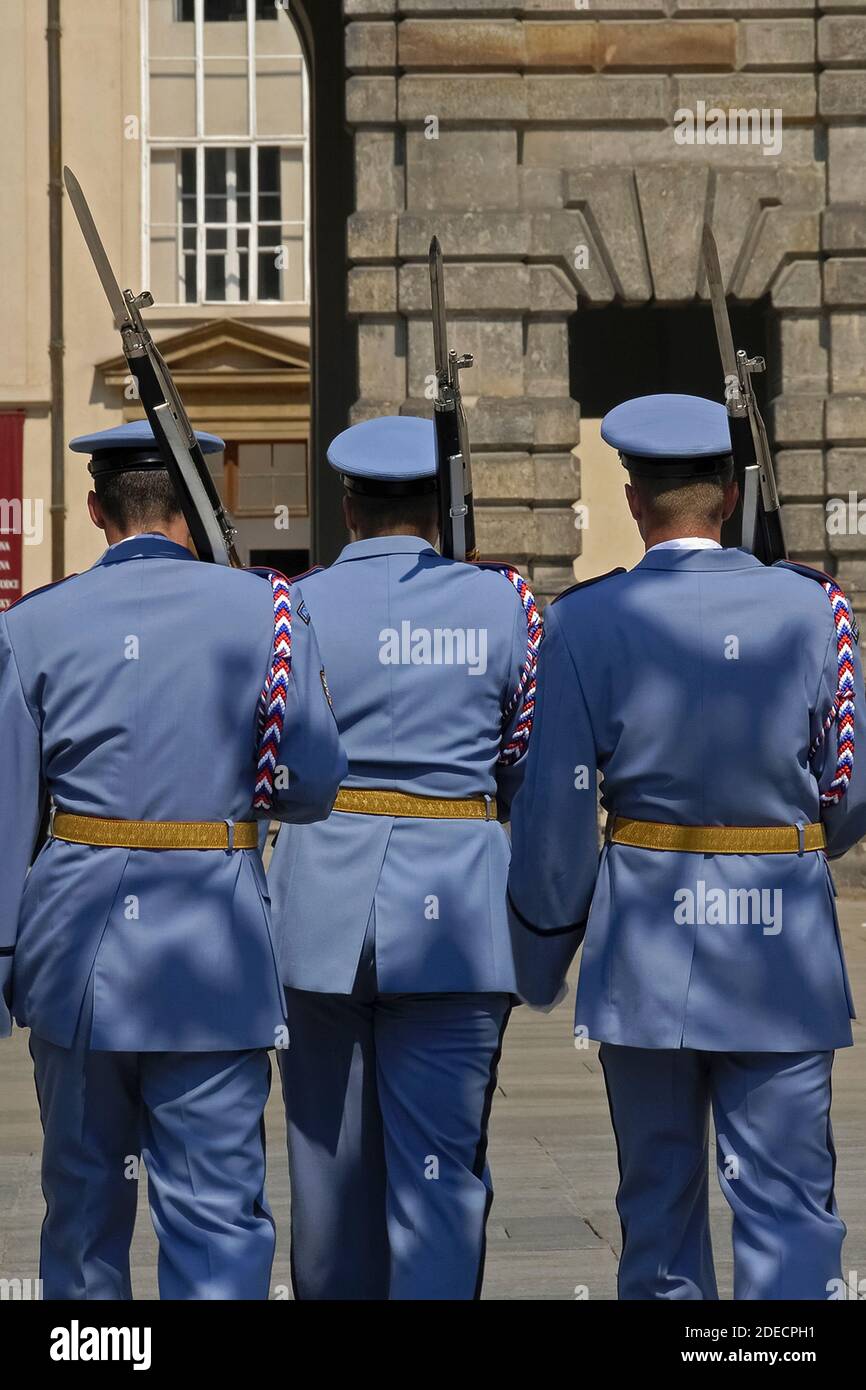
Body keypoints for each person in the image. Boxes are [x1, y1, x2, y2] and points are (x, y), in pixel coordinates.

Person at [507, 392, 866, 1300]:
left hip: (648, 948)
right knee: (788, 1206)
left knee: (659, 1209)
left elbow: (556, 817)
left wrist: (543, 952)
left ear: (633, 499)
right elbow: (850, 792)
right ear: (733, 495)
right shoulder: (815, 611)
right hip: (781, 943)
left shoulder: (584, 622)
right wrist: (796, 849)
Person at [0, 420, 346, 1300]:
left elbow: (6, 814)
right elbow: (309, 784)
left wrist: (6, 960)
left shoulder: (32, 625)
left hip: (75, 951)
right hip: (213, 946)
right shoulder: (268, 611)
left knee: (81, 1209)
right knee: (218, 1213)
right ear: (202, 506)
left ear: (93, 509)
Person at [267, 414, 541, 1299]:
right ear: (442, 507)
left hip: (317, 912)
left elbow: (270, 755)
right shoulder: (507, 606)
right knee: (441, 1182)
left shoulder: (292, 606)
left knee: (329, 1179)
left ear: (347, 508)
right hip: (454, 914)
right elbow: (524, 763)